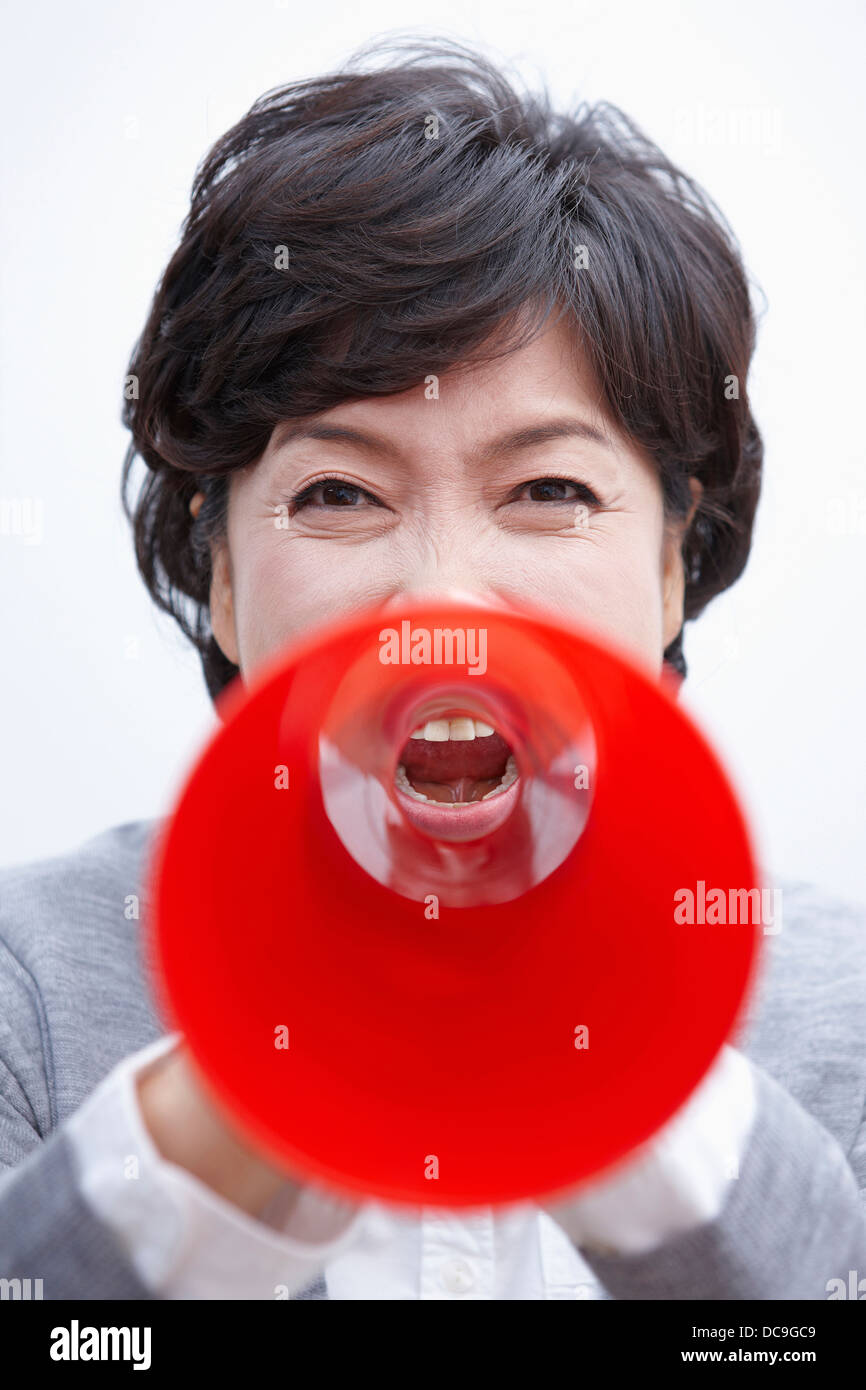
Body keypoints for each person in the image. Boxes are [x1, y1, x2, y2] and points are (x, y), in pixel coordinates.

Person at [1, 36, 864, 1301]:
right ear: (223, 576)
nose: (443, 598)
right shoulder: (29, 982)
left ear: (672, 570)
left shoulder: (842, 1010)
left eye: (549, 489)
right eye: (339, 491)